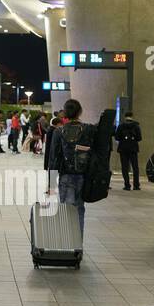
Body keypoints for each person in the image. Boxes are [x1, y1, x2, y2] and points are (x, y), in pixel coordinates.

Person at [52, 98, 90, 233]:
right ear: (80, 112)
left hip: (66, 175)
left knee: (66, 210)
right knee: (80, 209)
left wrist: (51, 183)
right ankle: (78, 244)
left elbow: (54, 157)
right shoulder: (87, 130)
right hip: (83, 175)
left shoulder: (59, 132)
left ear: (65, 113)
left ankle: (67, 242)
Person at [114, 111, 142, 190]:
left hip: (123, 148)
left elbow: (117, 137)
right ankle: (136, 185)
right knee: (135, 167)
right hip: (133, 148)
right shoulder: (136, 126)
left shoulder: (121, 126)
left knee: (124, 167)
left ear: (125, 117)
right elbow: (139, 138)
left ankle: (127, 185)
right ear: (132, 116)